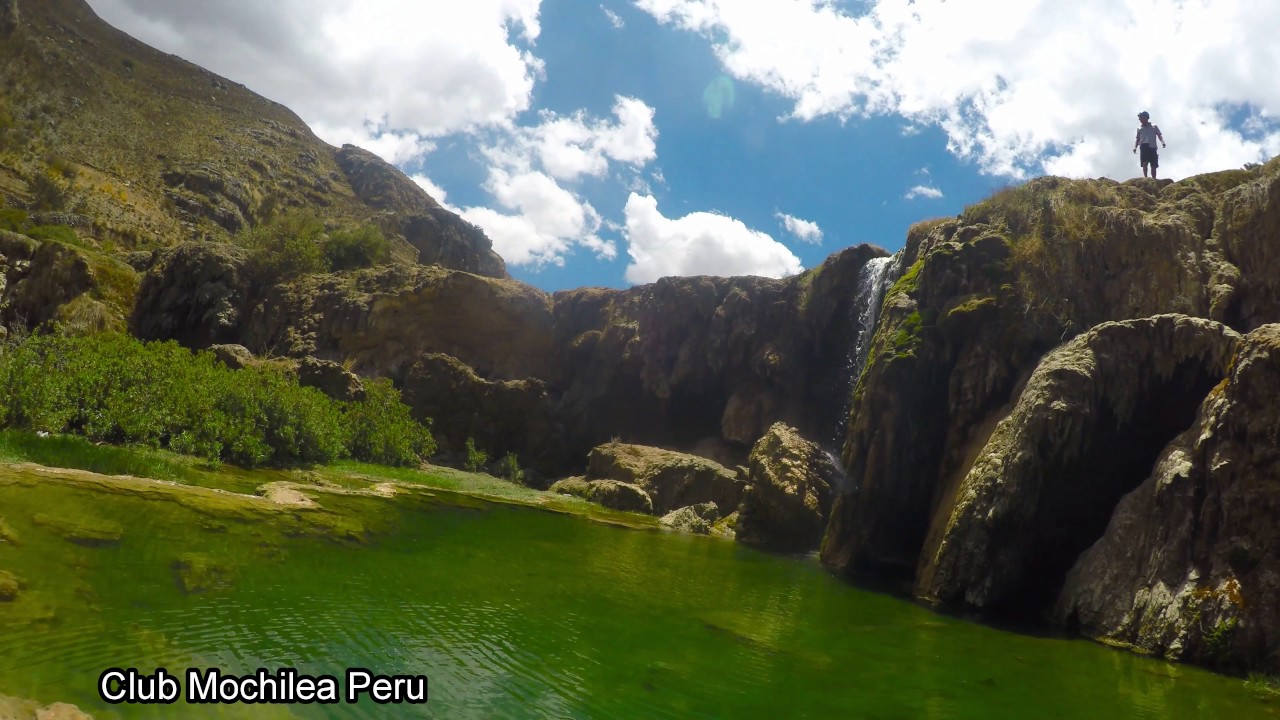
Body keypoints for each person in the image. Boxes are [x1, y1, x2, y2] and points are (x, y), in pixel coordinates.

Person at [1133, 111, 1166, 178]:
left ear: (1146, 118)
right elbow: (1137, 139)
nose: (1140, 120)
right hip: (1143, 146)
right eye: (1139, 118)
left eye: (1141, 118)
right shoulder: (1139, 128)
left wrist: (1162, 141)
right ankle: (1145, 177)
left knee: (1153, 164)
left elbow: (1159, 135)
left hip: (1152, 146)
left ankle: (1154, 178)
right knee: (1144, 162)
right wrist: (1135, 147)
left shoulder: (1154, 127)